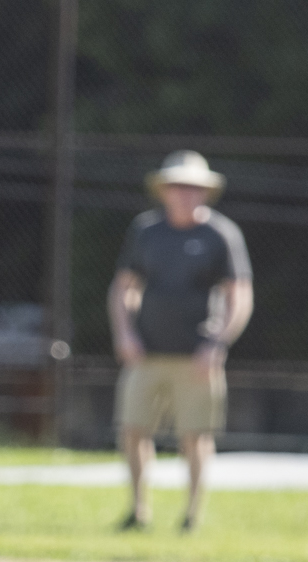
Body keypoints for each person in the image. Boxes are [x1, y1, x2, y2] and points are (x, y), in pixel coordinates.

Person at [108, 150, 253, 533]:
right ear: (165, 190)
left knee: (195, 436)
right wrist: (125, 333)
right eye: (178, 186)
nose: (185, 193)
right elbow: (124, 287)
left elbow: (239, 295)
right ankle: (138, 511)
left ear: (205, 192)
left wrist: (217, 344)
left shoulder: (220, 234)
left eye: (193, 187)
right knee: (133, 430)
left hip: (197, 357)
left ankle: (192, 516)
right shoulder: (147, 231)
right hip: (147, 353)